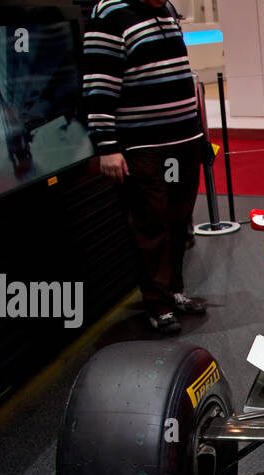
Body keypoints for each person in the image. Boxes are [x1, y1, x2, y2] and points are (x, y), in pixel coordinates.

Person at [82, 0, 209, 335]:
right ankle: (159, 304)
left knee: (178, 220)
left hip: (184, 140)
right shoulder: (110, 14)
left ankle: (174, 291)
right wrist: (107, 147)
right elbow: (98, 86)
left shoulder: (165, 8)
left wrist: (199, 137)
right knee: (150, 223)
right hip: (143, 146)